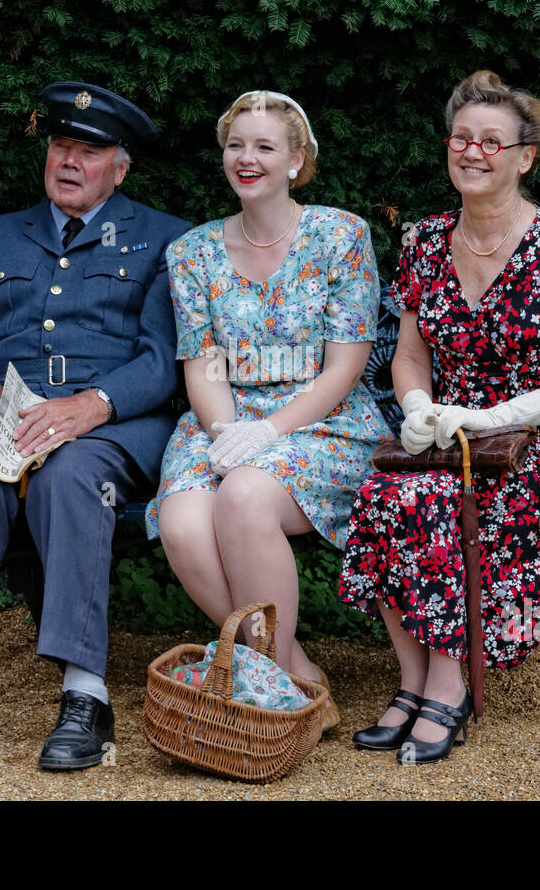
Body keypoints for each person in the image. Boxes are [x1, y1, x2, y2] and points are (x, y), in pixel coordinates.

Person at [0, 82, 190, 770]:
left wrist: (91, 407)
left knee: (72, 478)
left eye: (89, 150)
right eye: (60, 146)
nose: (70, 161)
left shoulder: (166, 239)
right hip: (9, 421)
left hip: (108, 428)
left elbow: (163, 360)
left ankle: (86, 697)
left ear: (121, 165)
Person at [338, 70, 540, 764]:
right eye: (462, 138)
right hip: (446, 431)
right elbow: (407, 357)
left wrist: (505, 414)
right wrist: (419, 407)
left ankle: (448, 686)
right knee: (382, 495)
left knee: (442, 503)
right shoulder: (425, 242)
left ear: (525, 157)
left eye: (492, 141)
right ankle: (412, 681)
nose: (473, 152)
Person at [146, 91, 393, 731]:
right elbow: (201, 364)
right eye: (236, 145)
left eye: (264, 147)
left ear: (295, 161)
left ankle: (269, 704)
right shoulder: (192, 251)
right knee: (182, 522)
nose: (246, 159)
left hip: (322, 420)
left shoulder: (341, 236)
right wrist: (227, 431)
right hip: (222, 415)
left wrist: (268, 432)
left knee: (246, 497)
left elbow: (346, 366)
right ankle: (292, 673)